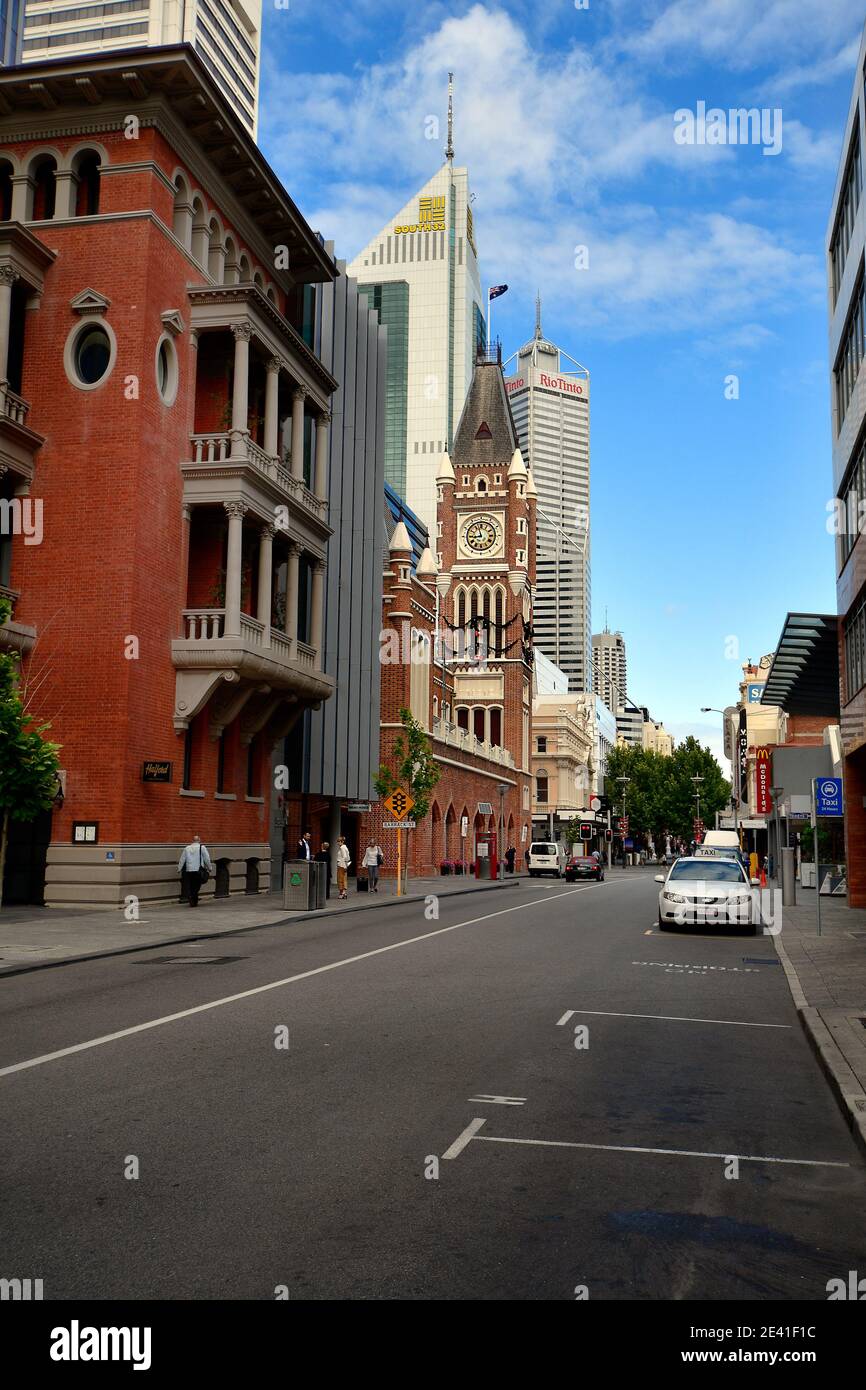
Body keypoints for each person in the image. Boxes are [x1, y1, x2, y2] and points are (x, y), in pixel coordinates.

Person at [178, 834, 212, 908]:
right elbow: (207, 858)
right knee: (197, 885)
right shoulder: (202, 847)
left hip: (189, 870)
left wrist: (179, 868)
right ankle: (193, 898)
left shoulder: (187, 848)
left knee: (191, 884)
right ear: (199, 840)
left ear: (192, 841)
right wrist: (210, 867)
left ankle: (193, 898)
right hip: (198, 870)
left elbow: (182, 859)